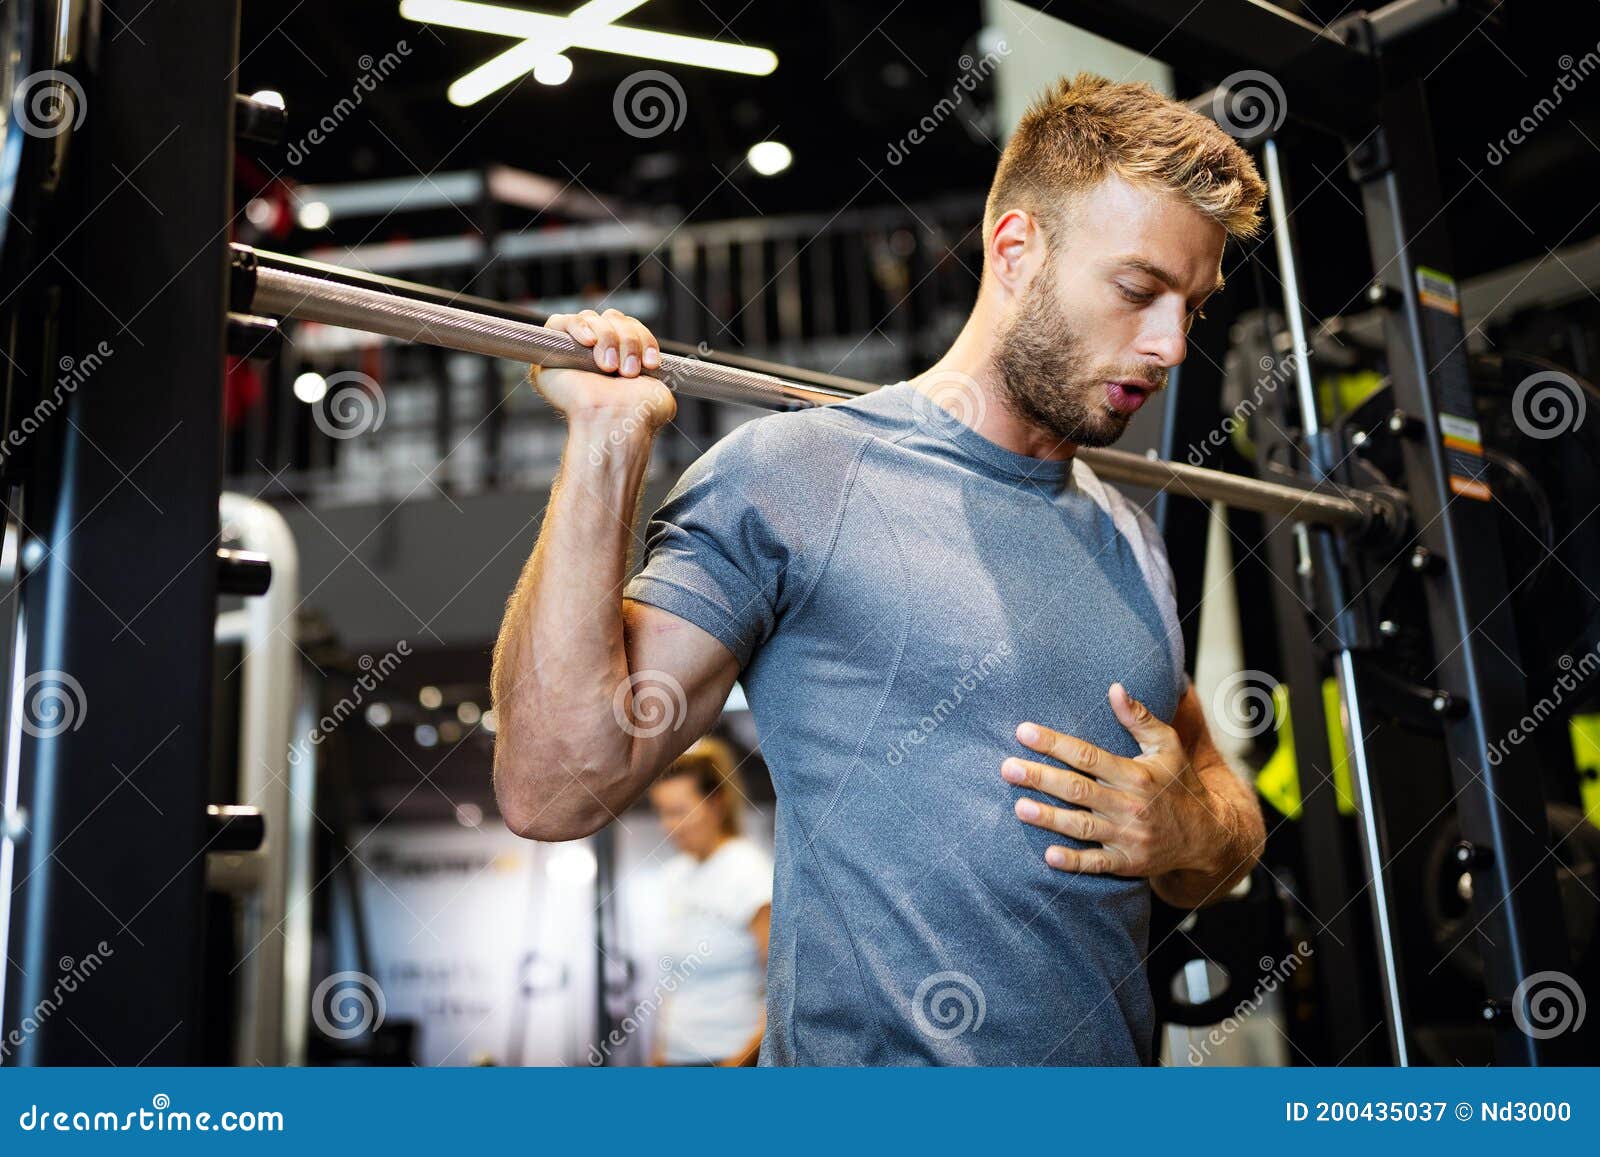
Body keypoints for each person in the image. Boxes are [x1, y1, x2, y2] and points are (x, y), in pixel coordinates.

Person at [492, 73, 1269, 1065]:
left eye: (1191, 307)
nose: (1168, 345)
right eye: (1137, 289)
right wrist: (606, 445)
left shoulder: (1129, 537)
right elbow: (552, 786)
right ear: (1017, 249)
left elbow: (1220, 818)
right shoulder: (795, 478)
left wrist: (1183, 829)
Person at [645, 736, 771, 1067]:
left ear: (716, 805)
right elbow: (673, 983)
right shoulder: (674, 875)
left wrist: (738, 1063)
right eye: (662, 813)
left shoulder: (748, 871)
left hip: (730, 1057)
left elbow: (785, 991)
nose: (669, 826)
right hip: (676, 1057)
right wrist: (659, 1054)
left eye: (679, 812)